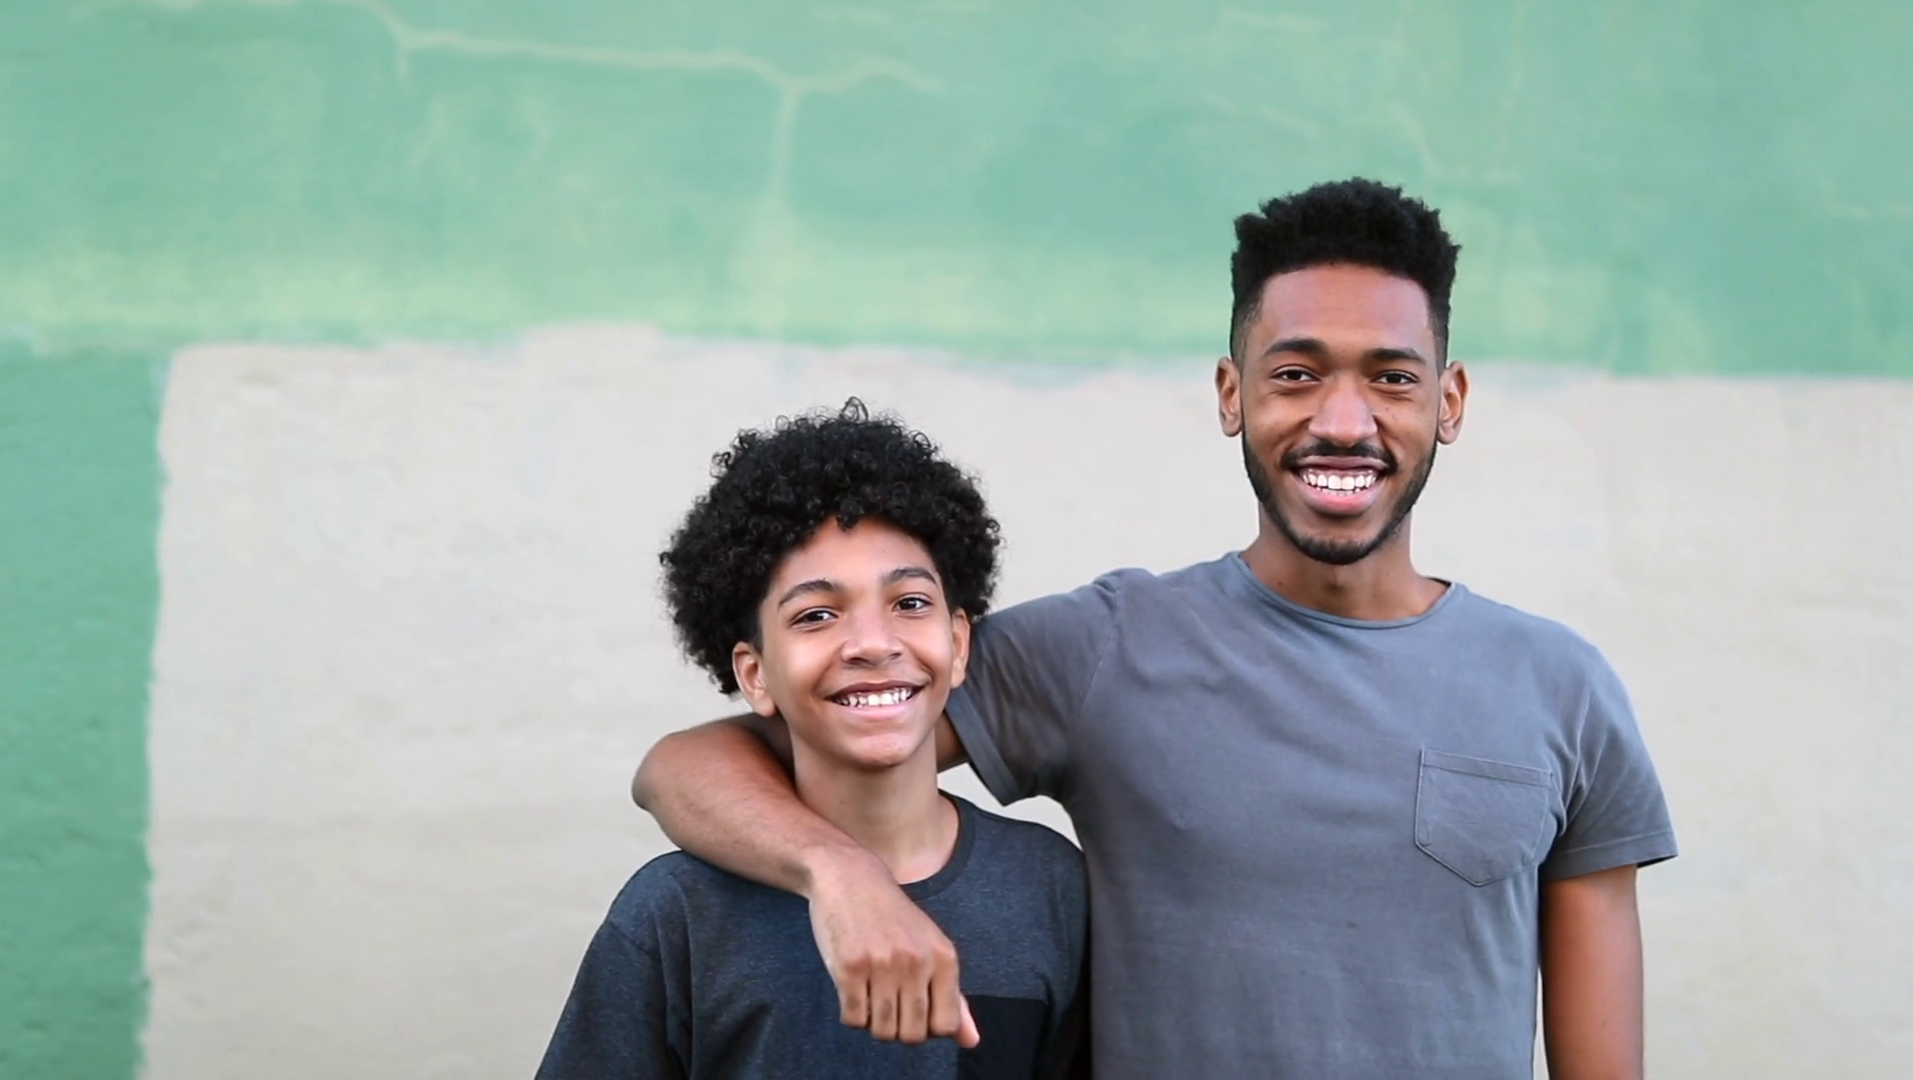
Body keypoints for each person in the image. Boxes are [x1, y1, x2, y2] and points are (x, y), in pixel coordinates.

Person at [631, 178, 1678, 1079]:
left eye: (1392, 378)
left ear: (1448, 400)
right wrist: (840, 872)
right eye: (1297, 373)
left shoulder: (1561, 689)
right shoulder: (1103, 651)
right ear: (1233, 394)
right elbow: (690, 764)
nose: (1344, 422)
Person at [538, 402, 1088, 1079]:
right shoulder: (676, 915)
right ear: (755, 674)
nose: (872, 644)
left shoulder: (1050, 888)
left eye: (910, 602)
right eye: (817, 614)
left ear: (958, 641)